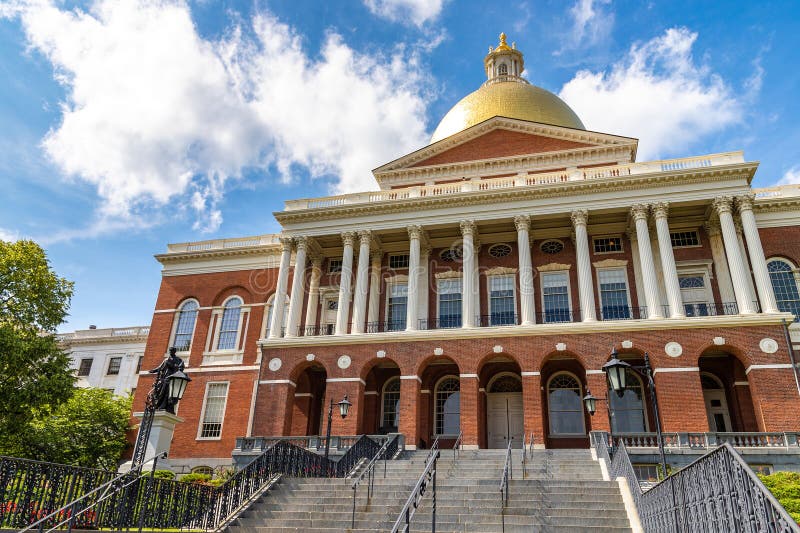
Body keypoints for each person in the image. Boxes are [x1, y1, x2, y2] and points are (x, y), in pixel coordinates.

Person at [147, 347, 185, 413]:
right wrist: (153, 370)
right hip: (165, 378)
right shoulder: (166, 360)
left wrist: (172, 366)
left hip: (173, 379)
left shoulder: (178, 360)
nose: (171, 352)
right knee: (161, 392)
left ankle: (167, 407)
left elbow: (180, 368)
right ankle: (159, 405)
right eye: (170, 351)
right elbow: (160, 367)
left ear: (174, 352)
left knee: (169, 393)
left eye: (172, 351)